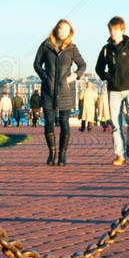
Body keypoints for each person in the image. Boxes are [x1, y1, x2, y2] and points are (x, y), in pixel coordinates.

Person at [34, 18, 86, 166]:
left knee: (64, 123)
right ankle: (52, 152)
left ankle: (62, 155)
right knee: (49, 122)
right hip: (48, 90)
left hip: (65, 90)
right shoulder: (46, 45)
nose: (63, 32)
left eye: (66, 30)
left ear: (70, 33)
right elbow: (37, 64)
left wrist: (75, 76)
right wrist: (45, 77)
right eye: (61, 28)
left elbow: (82, 65)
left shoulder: (71, 48)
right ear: (56, 29)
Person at [94, 17, 129, 165]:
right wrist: (107, 78)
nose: (112, 33)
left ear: (122, 30)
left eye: (115, 30)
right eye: (110, 30)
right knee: (116, 125)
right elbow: (98, 68)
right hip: (114, 91)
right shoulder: (106, 50)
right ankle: (120, 155)